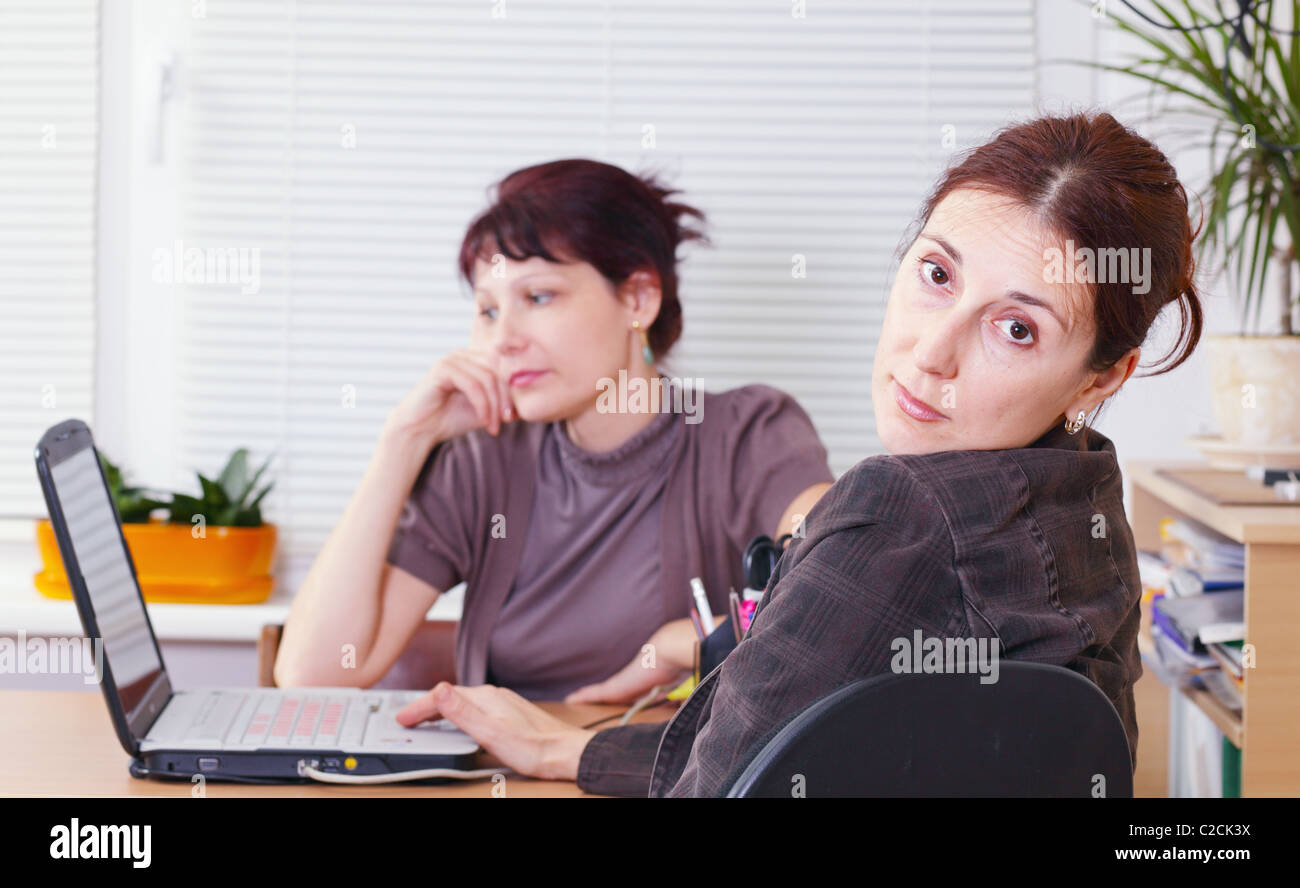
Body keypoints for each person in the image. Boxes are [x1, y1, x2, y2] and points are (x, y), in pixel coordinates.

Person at [392, 110, 1206, 796]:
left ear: (1103, 374)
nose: (931, 353)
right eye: (936, 275)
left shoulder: (901, 511)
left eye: (1017, 328)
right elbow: (794, 752)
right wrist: (572, 750)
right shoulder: (1085, 499)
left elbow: (718, 787)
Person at [274, 159, 835, 705]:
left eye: (538, 297)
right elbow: (313, 673)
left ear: (638, 298)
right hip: (502, 766)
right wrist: (403, 441)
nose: (503, 339)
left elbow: (839, 608)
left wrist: (688, 642)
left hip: (665, 766)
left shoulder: (748, 436)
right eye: (488, 310)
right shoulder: (480, 462)